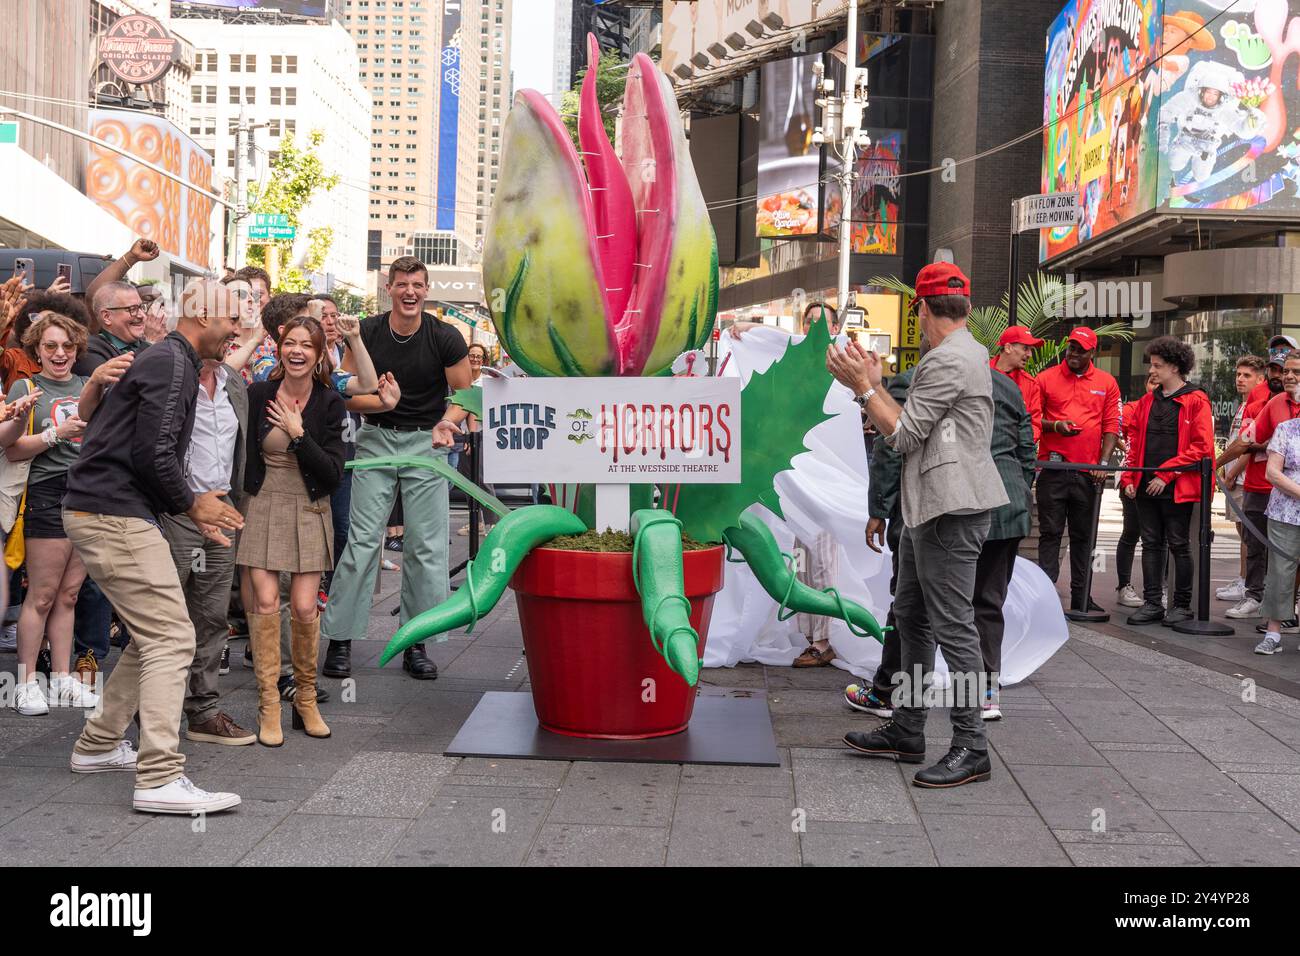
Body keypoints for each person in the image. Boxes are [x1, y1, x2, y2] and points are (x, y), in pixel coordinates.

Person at [63, 279, 245, 815]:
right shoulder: (172, 363)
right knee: (172, 636)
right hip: (110, 514)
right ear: (204, 313)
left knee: (151, 637)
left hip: (109, 510)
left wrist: (193, 508)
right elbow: (152, 453)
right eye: (233, 318)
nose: (237, 330)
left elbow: (145, 450)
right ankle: (159, 777)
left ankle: (98, 744)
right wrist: (193, 506)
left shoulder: (173, 360)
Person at [827, 263, 1008, 788]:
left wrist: (864, 387)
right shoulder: (960, 353)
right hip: (932, 507)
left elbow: (902, 435)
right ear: (968, 308)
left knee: (952, 627)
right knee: (911, 616)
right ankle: (907, 727)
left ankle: (972, 745)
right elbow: (915, 428)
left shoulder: (948, 360)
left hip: (950, 509)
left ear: (921, 309)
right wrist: (876, 386)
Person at [321, 256, 471, 681]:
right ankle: (341, 640)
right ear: (390, 287)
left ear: (426, 290)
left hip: (427, 440)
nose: (410, 292)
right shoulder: (366, 332)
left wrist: (447, 421)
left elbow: (466, 393)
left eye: (418, 285)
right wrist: (382, 403)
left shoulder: (445, 336)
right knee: (362, 542)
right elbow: (344, 392)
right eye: (402, 284)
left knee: (426, 546)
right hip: (377, 439)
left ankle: (415, 642)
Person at [0, 313, 124, 715]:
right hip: (47, 494)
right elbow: (13, 449)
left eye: (67, 346)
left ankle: (61, 678)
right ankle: (24, 684)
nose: (59, 353)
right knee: (42, 595)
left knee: (70, 596)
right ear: (36, 349)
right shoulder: (26, 386)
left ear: (77, 350)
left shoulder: (88, 386)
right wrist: (57, 434)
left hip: (87, 493)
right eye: (50, 346)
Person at [239, 316, 345, 745]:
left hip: (309, 504)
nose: (297, 351)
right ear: (279, 348)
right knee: (266, 602)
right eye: (289, 343)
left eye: (307, 345)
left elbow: (334, 473)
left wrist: (300, 436)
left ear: (320, 356)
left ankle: (305, 699)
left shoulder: (328, 402)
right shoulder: (258, 393)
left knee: (303, 608)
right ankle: (268, 704)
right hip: (263, 502)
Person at [733, 301, 844, 665]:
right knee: (801, 556)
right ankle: (810, 634)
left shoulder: (841, 360)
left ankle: (825, 641)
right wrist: (750, 328)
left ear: (836, 327)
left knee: (824, 555)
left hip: (829, 480)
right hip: (803, 475)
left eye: (821, 323)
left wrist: (752, 327)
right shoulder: (800, 363)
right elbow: (790, 341)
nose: (813, 329)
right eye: (809, 321)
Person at [159, 337, 257, 747]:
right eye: (223, 324)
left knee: (212, 617)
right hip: (178, 510)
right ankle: (154, 712)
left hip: (222, 511)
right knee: (166, 617)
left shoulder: (233, 382)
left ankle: (202, 712)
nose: (229, 334)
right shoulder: (174, 378)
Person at [1120, 337, 1215, 626]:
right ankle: (1153, 603)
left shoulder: (1197, 399)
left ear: (1175, 367)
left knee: (1178, 544)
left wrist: (1165, 474)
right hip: (1148, 483)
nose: (1153, 370)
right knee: (1151, 543)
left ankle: (1181, 605)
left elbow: (1201, 447)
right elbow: (1135, 442)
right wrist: (1129, 476)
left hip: (1176, 486)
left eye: (1158, 365)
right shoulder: (1149, 400)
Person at [1035, 327, 1122, 611]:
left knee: (1084, 536)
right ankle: (1046, 598)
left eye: (1080, 350)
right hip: (1053, 469)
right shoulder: (1046, 378)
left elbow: (1111, 425)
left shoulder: (1107, 382)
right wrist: (1055, 426)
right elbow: (1035, 419)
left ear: (1092, 352)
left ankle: (1082, 596)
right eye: (1071, 348)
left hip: (1087, 473)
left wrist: (1103, 463)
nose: (1074, 354)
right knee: (1050, 533)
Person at [1218, 344, 1299, 622]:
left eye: (1292, 371)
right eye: (1280, 370)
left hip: (1288, 494)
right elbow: (1246, 440)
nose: (1286, 376)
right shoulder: (1272, 403)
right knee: (1264, 550)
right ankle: (1264, 604)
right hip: (1271, 493)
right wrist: (1213, 465)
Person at [1217, 355, 1268, 604]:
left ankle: (1247, 582)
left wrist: (1232, 473)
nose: (1240, 379)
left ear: (1261, 379)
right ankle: (1244, 579)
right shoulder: (1244, 403)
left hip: (1245, 478)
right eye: (1238, 374)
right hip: (1235, 478)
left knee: (1248, 532)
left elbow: (1249, 445)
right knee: (1241, 529)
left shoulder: (1261, 402)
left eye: (1247, 375)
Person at [1255, 402, 1300, 655]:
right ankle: (1273, 633)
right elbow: (1272, 473)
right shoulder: (1286, 429)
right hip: (1285, 512)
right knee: (1280, 572)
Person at [1115, 370, 1160, 609]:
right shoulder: (1134, 407)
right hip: (1133, 478)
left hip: (1160, 480)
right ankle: (1124, 585)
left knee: (1157, 538)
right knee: (1131, 532)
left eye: (1159, 381)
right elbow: (1122, 436)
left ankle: (1158, 588)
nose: (1155, 385)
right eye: (1151, 381)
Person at [73, 281, 150, 377]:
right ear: (107, 317)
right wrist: (151, 344)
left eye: (142, 307)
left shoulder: (143, 344)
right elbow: (121, 387)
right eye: (132, 309)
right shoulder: (90, 350)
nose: (142, 315)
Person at [990, 325, 1044, 444]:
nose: (1030, 354)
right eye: (1025, 348)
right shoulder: (981, 373)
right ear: (1008, 348)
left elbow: (1035, 424)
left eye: (1031, 350)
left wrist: (1021, 444)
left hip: (1013, 455)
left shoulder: (1030, 384)